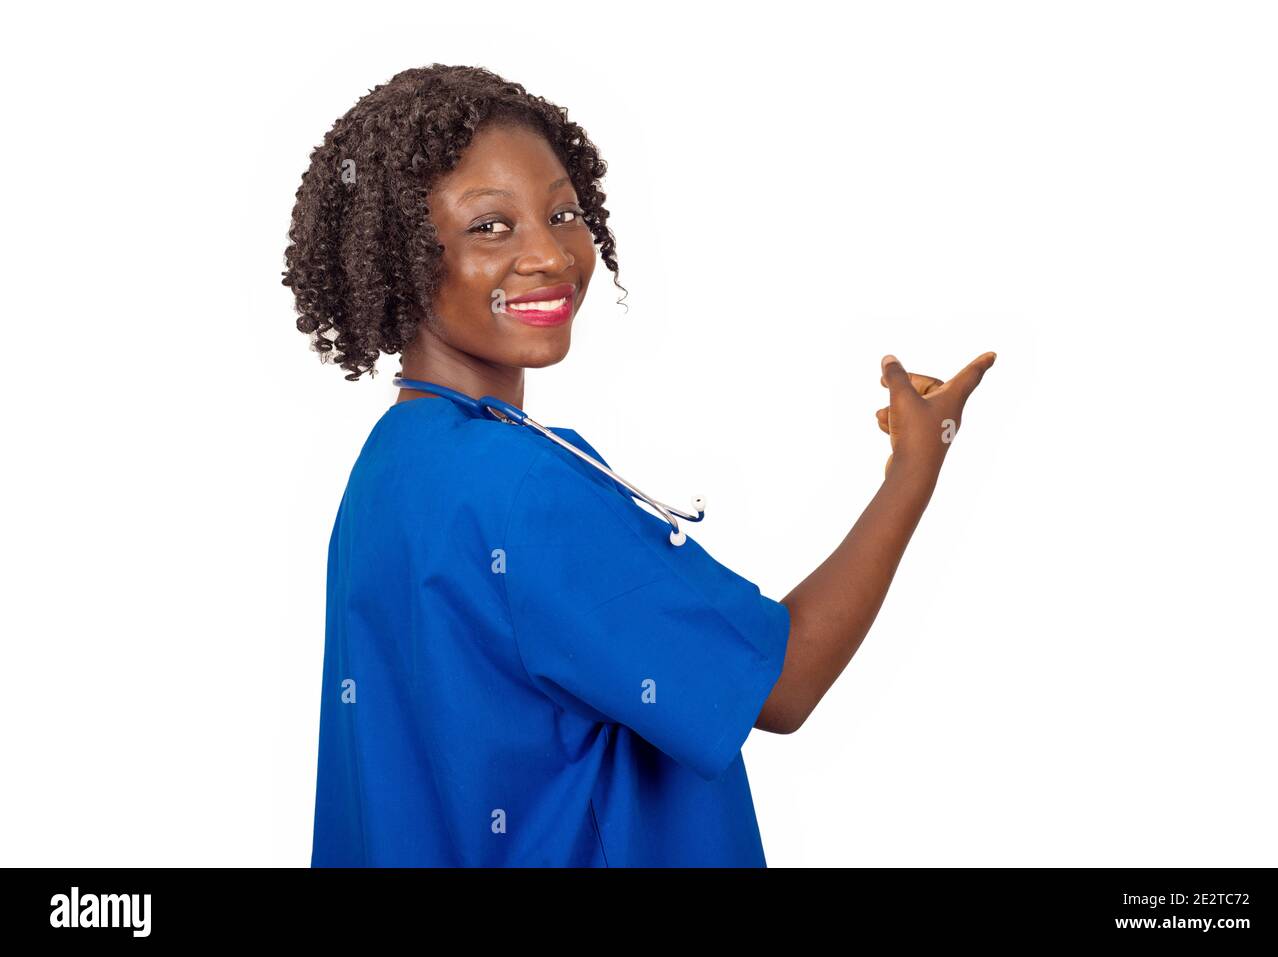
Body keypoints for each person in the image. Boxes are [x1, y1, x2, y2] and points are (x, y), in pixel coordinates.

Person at [284, 64, 996, 867]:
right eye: (492, 226)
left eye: (562, 212)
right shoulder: (523, 488)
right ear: (399, 255)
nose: (550, 254)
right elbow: (783, 682)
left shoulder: (390, 466)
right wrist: (915, 466)